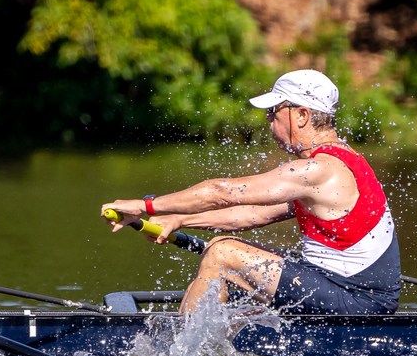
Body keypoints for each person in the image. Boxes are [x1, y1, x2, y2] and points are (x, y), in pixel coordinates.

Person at [103, 68, 400, 315]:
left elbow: (223, 191)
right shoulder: (343, 161)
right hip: (348, 291)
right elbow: (250, 215)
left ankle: (176, 349)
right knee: (224, 244)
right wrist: (179, 220)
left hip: (358, 301)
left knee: (222, 253)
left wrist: (145, 207)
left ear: (302, 116)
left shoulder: (319, 170)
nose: (269, 121)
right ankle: (205, 335)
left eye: (274, 112)